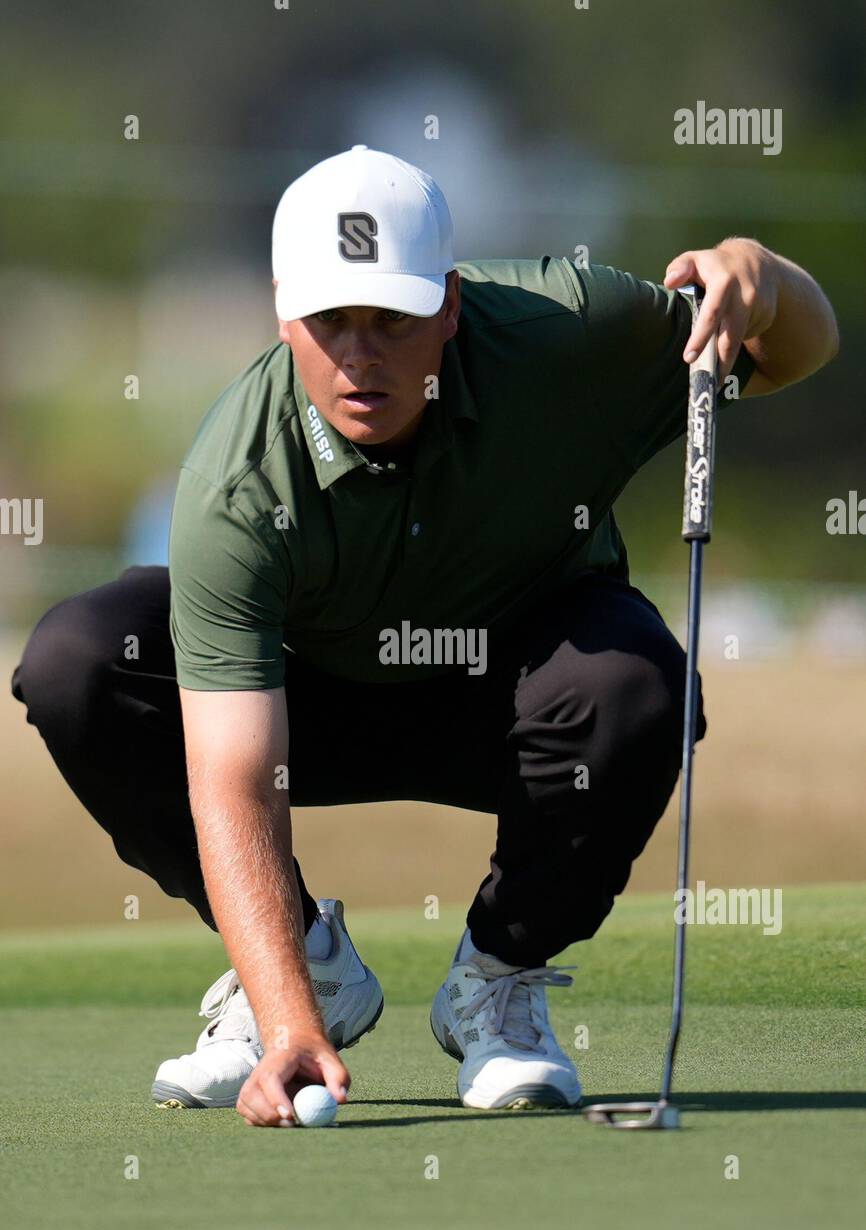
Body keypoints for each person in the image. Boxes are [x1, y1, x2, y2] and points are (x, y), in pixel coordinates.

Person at [11, 145, 838, 1126]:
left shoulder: (566, 333)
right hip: (306, 705)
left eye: (391, 320)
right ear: (284, 314)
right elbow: (234, 776)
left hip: (522, 702)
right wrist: (287, 1021)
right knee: (78, 660)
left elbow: (795, 348)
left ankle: (497, 976)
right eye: (330, 322)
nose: (360, 356)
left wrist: (764, 273)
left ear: (448, 304)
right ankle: (301, 971)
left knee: (638, 682)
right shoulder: (234, 486)